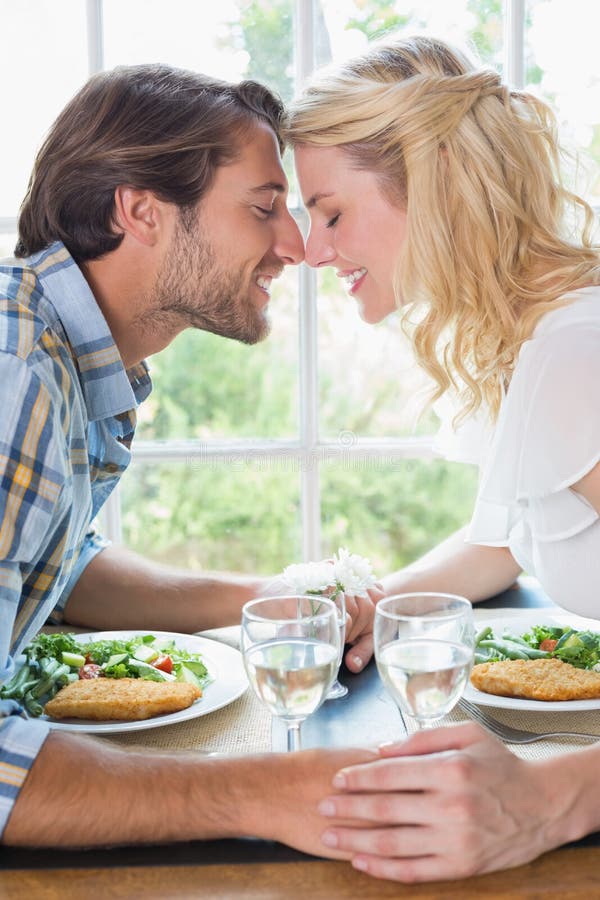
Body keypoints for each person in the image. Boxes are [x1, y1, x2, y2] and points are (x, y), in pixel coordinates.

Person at [0, 63, 380, 851]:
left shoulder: (64, 354)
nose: (297, 246)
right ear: (141, 210)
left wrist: (267, 597)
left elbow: (55, 567)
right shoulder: (16, 372)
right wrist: (265, 792)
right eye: (264, 207)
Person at [285, 34, 600, 881]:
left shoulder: (577, 355)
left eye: (331, 211)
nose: (311, 250)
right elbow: (514, 536)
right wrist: (379, 604)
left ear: (430, 186)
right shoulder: (537, 338)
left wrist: (556, 799)